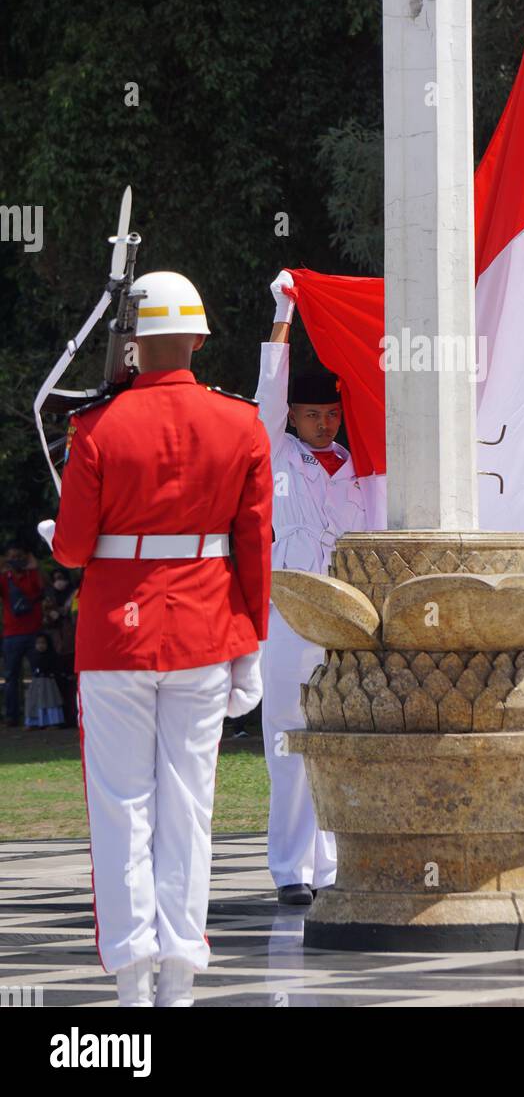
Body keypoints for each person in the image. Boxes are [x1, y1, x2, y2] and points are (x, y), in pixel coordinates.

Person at [51, 270, 272, 1008]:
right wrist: (252, 640)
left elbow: (75, 548)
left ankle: (131, 979)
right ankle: (179, 974)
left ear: (134, 345)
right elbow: (255, 547)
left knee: (121, 808)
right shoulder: (241, 424)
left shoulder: (97, 427)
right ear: (201, 339)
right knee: (189, 807)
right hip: (207, 632)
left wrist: (60, 534)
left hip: (118, 637)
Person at [256, 269, 380, 907]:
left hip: (348, 611)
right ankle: (289, 868)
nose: (324, 423)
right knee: (287, 732)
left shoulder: (363, 465)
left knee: (342, 738)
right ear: (294, 417)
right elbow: (268, 397)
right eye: (312, 413)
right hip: (292, 606)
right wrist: (285, 315)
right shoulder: (277, 453)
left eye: (332, 412)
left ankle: (332, 864)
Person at [0, 542, 45, 726]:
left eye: (19, 556)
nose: (15, 560)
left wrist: (35, 567)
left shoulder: (32, 575)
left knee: (39, 674)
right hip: (12, 634)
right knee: (11, 677)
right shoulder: (5, 578)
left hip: (34, 632)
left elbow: (44, 587)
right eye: (12, 557)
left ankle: (39, 716)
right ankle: (12, 716)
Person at [43, 567, 79, 727]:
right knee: (59, 682)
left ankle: (74, 716)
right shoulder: (49, 597)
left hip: (73, 645)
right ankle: (63, 718)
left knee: (73, 682)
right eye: (56, 578)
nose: (59, 581)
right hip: (55, 645)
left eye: (61, 577)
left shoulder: (74, 594)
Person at [24, 633, 65, 728]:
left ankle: (52, 722)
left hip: (48, 683)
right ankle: (34, 722)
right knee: (34, 702)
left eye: (43, 643)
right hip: (36, 683)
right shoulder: (33, 656)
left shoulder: (52, 656)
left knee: (49, 701)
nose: (40, 645)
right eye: (38, 643)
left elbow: (55, 668)